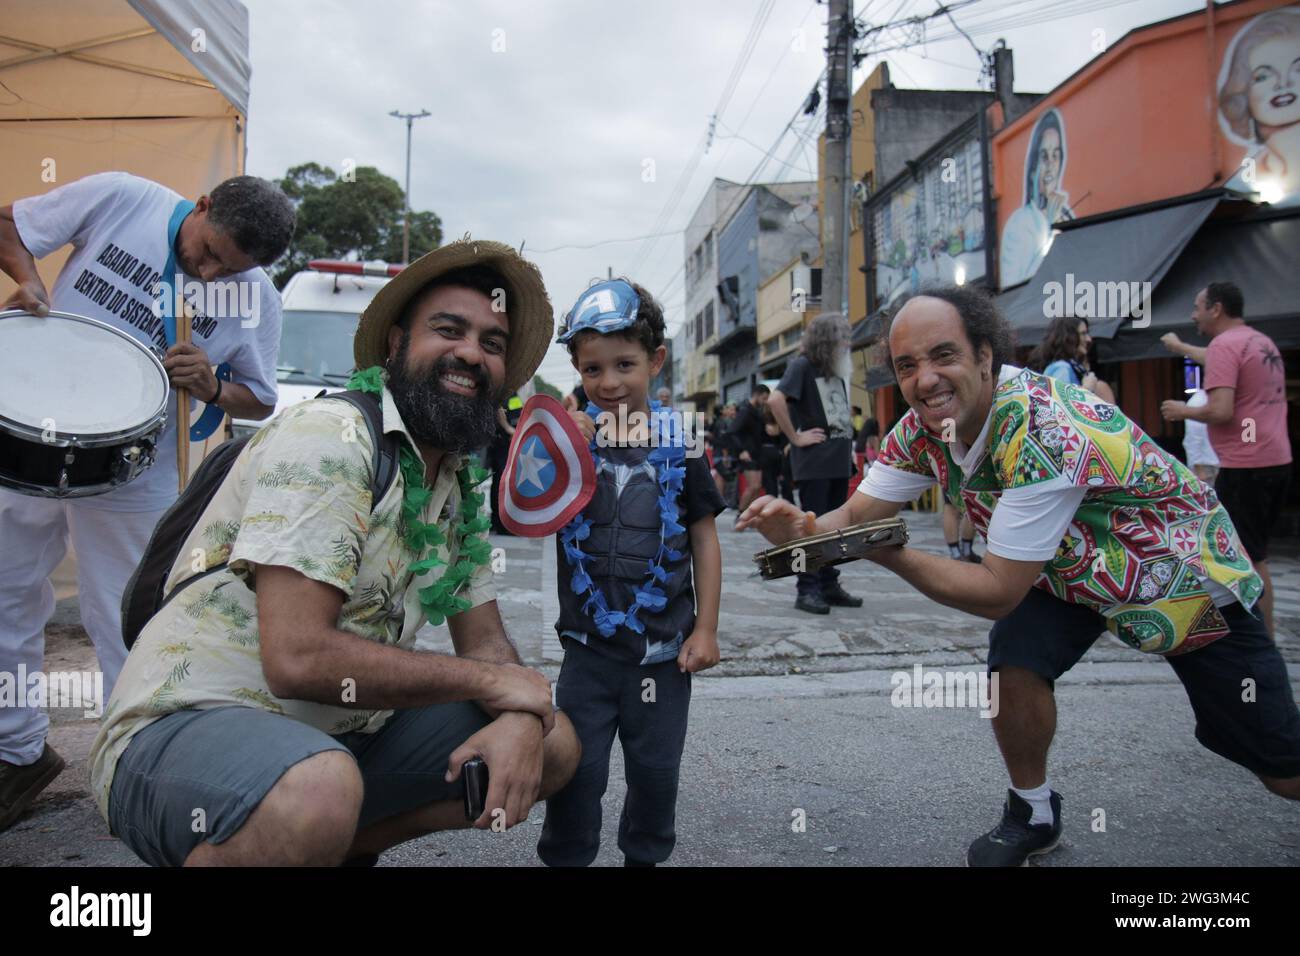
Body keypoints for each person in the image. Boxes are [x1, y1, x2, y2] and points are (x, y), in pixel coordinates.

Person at [740, 285, 1300, 867]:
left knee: (1280, 767)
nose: (925, 379)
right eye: (907, 366)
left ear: (986, 356)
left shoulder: (1041, 429)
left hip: (1178, 577)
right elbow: (856, 516)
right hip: (1066, 570)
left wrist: (881, 550)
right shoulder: (924, 428)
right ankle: (1032, 810)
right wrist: (801, 530)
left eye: (943, 356)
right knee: (1016, 663)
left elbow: (996, 591)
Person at [85, 240, 581, 866]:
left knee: (554, 743)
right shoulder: (332, 436)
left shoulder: (455, 483)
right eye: (448, 330)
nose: (469, 354)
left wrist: (518, 713)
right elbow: (297, 658)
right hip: (185, 727)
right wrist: (498, 683)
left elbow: (483, 641)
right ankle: (282, 838)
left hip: (340, 738)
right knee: (318, 791)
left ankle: (324, 850)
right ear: (397, 344)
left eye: (492, 343)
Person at [0, 172, 294, 832]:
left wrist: (215, 386)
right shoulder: (121, 197)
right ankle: (15, 752)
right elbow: (10, 226)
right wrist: (30, 280)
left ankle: (131, 763)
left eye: (230, 269)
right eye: (211, 252)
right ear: (203, 203)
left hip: (138, 466)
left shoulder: (256, 296)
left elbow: (262, 396)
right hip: (37, 427)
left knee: (128, 620)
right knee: (5, 591)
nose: (212, 272)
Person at [541, 278, 723, 867]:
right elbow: (518, 503)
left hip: (662, 656)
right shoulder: (570, 443)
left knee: (655, 776)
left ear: (657, 361)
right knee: (573, 772)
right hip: (586, 653)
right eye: (593, 370)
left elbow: (704, 538)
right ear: (576, 370)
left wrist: (707, 630)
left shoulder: (684, 443)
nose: (610, 383)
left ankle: (645, 858)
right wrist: (556, 437)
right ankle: (567, 858)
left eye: (625, 364)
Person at [1161, 281, 1292, 637]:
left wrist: (1182, 410)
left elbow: (1220, 410)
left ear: (1215, 308)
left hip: (1245, 465)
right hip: (1276, 459)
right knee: (1256, 552)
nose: (1193, 314)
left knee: (1248, 558)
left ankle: (1259, 638)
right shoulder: (1258, 341)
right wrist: (1179, 347)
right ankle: (1259, 630)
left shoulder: (1224, 346)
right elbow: (1216, 358)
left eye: (1197, 306)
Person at [768, 312, 863, 615]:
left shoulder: (833, 369)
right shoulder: (802, 365)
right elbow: (775, 400)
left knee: (834, 530)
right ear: (827, 338)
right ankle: (806, 589)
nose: (847, 342)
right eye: (842, 336)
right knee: (811, 528)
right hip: (815, 462)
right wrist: (795, 437)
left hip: (836, 461)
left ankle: (828, 585)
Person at [1219, 8, 1300, 207]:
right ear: (1242, 91)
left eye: (1298, 69)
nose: (1282, 83)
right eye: (1263, 76)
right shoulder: (1245, 177)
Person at [999, 108, 1075, 286]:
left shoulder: (1068, 213)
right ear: (1033, 168)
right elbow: (1016, 291)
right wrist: (1051, 230)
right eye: (1044, 156)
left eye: (1055, 156)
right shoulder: (1019, 223)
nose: (1050, 165)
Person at [1027, 316, 1116, 403]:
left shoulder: (1063, 366)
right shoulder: (1062, 368)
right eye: (1083, 334)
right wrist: (1087, 388)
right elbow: (1061, 405)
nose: (1089, 339)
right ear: (1069, 337)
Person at [730, 383, 771, 521]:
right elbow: (732, 432)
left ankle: (746, 514)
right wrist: (741, 450)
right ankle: (740, 515)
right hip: (747, 454)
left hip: (757, 453)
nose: (766, 401)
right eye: (764, 398)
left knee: (757, 486)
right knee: (753, 486)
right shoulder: (745, 411)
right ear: (757, 395)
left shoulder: (757, 411)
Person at [487, 394, 523, 534]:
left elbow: (518, 414)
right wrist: (508, 428)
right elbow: (499, 413)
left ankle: (501, 523)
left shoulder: (512, 394)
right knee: (501, 483)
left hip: (505, 445)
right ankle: (501, 524)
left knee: (501, 482)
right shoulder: (502, 393)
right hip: (501, 444)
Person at [760, 403, 793, 502]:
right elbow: (772, 432)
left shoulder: (781, 418)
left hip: (777, 454)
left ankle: (777, 507)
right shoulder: (768, 420)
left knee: (776, 485)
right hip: (775, 454)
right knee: (780, 485)